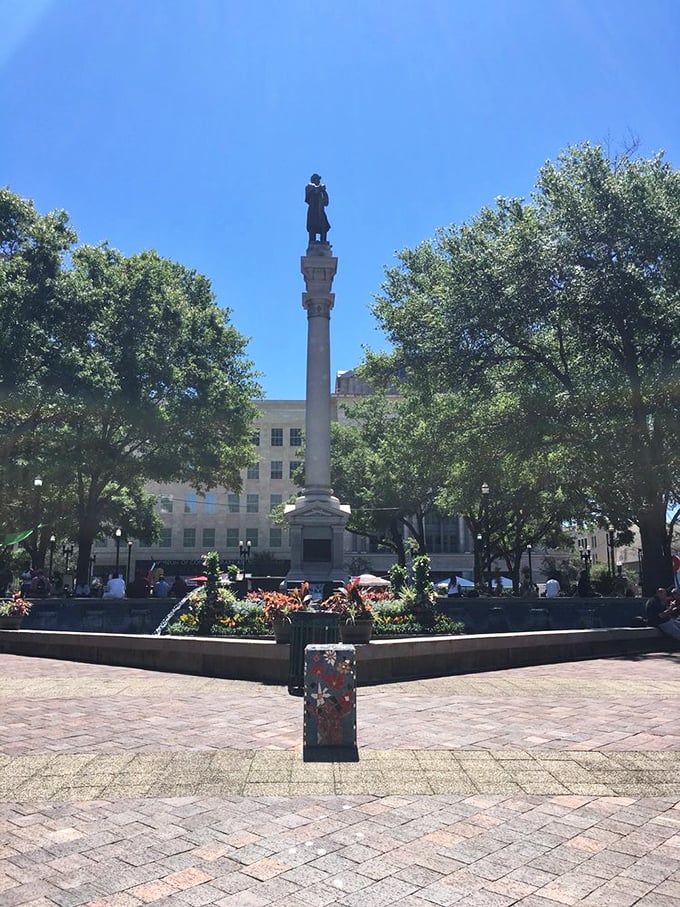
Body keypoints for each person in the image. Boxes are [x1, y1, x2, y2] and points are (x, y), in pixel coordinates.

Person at [305, 173, 330, 244]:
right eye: (317, 179)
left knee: (324, 227)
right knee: (312, 226)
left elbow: (326, 203)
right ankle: (312, 242)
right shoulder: (309, 186)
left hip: (321, 211)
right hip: (313, 210)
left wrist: (324, 191)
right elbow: (309, 197)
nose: (319, 181)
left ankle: (324, 242)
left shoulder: (321, 190)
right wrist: (320, 188)